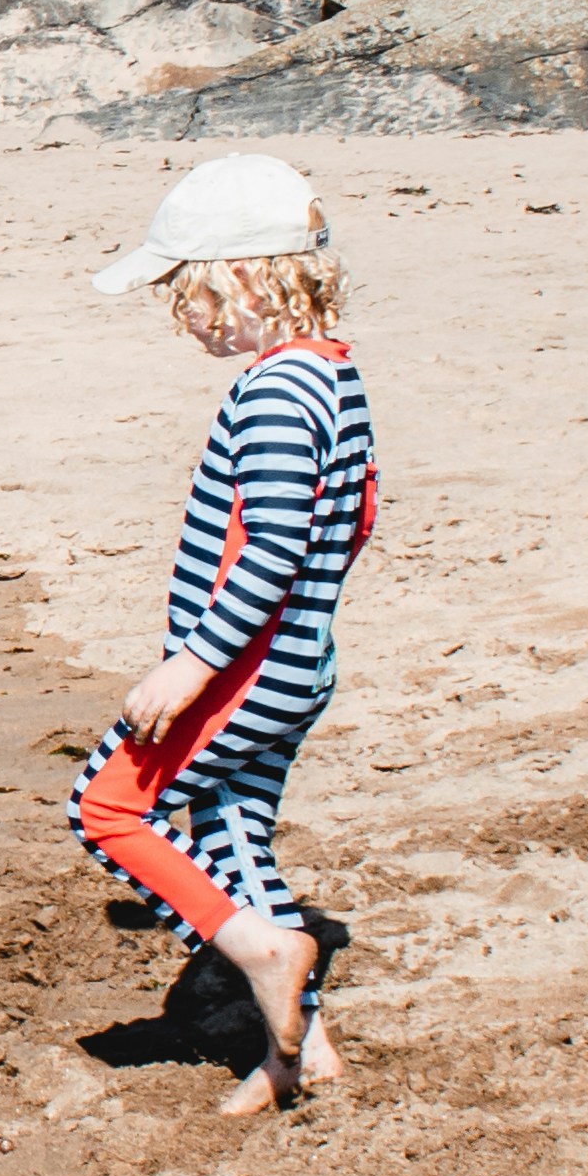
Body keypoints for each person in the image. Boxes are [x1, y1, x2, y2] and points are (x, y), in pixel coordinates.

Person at [66, 153, 377, 1119]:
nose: (181, 315)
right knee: (233, 836)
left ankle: (256, 949)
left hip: (243, 668)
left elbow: (276, 542)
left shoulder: (277, 395)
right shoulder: (332, 376)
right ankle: (300, 1050)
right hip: (295, 663)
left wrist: (193, 664)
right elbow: (353, 520)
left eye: (185, 291)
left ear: (243, 278)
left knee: (106, 809)